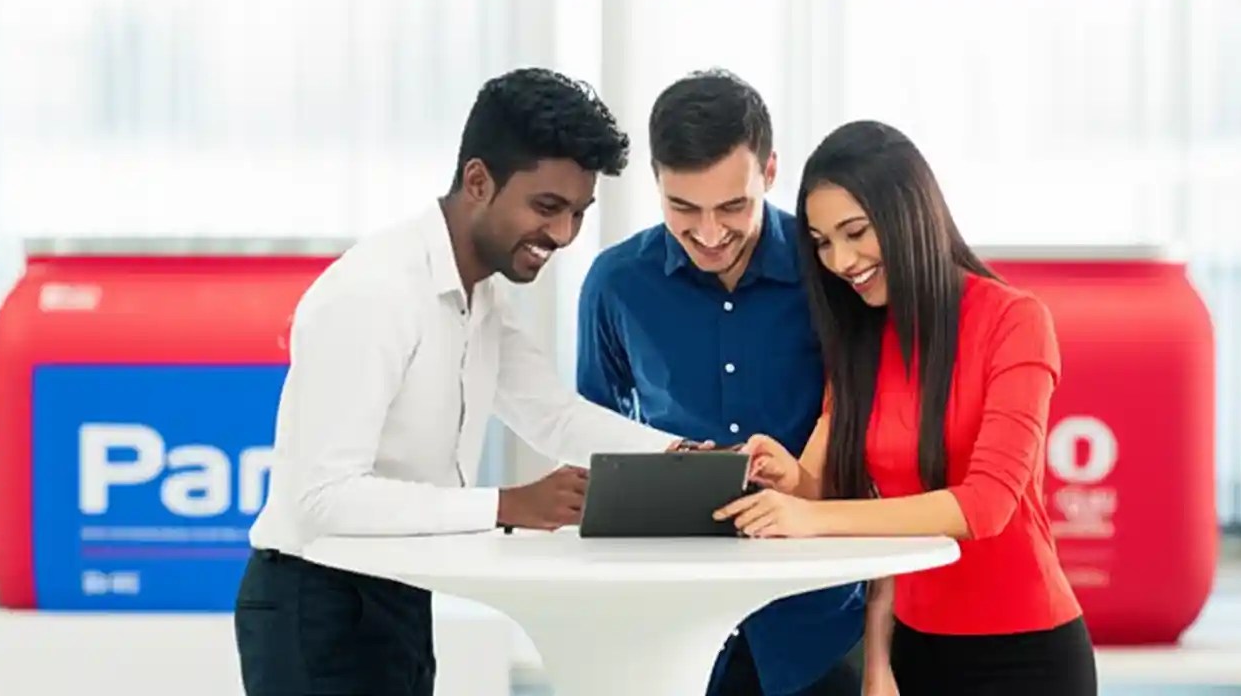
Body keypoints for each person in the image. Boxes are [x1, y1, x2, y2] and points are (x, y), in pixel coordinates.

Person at [233, 67, 691, 696]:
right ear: (478, 181)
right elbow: (321, 499)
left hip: (397, 593)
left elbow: (553, 416)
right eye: (547, 207)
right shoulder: (374, 292)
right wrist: (505, 506)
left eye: (578, 213)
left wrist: (682, 459)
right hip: (315, 601)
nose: (561, 235)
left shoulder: (482, 301)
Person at [712, 120, 1099, 696]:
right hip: (914, 650)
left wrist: (811, 519)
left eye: (855, 232)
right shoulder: (860, 339)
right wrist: (785, 475)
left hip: (1027, 653)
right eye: (821, 242)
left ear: (908, 211)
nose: (841, 260)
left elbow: (986, 506)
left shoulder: (1014, 321)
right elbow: (828, 488)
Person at [576, 69, 871, 696]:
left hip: (819, 618)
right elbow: (588, 441)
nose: (709, 233)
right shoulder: (615, 284)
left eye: (732, 206)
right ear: (655, 181)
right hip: (672, 620)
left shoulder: (832, 270)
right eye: (683, 207)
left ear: (769, 172)